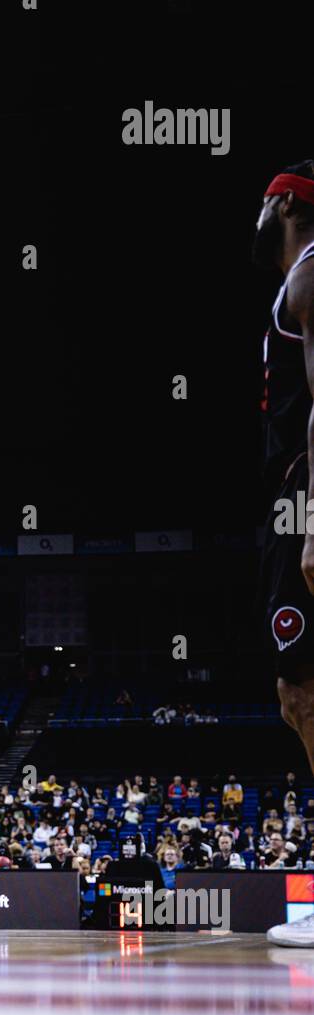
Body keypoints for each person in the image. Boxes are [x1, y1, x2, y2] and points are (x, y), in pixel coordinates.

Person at [250, 161, 314, 941]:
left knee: (302, 693)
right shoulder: (294, 282)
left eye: (262, 201)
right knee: (293, 693)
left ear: (288, 203)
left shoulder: (307, 277)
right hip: (290, 495)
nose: (254, 215)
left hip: (302, 493)